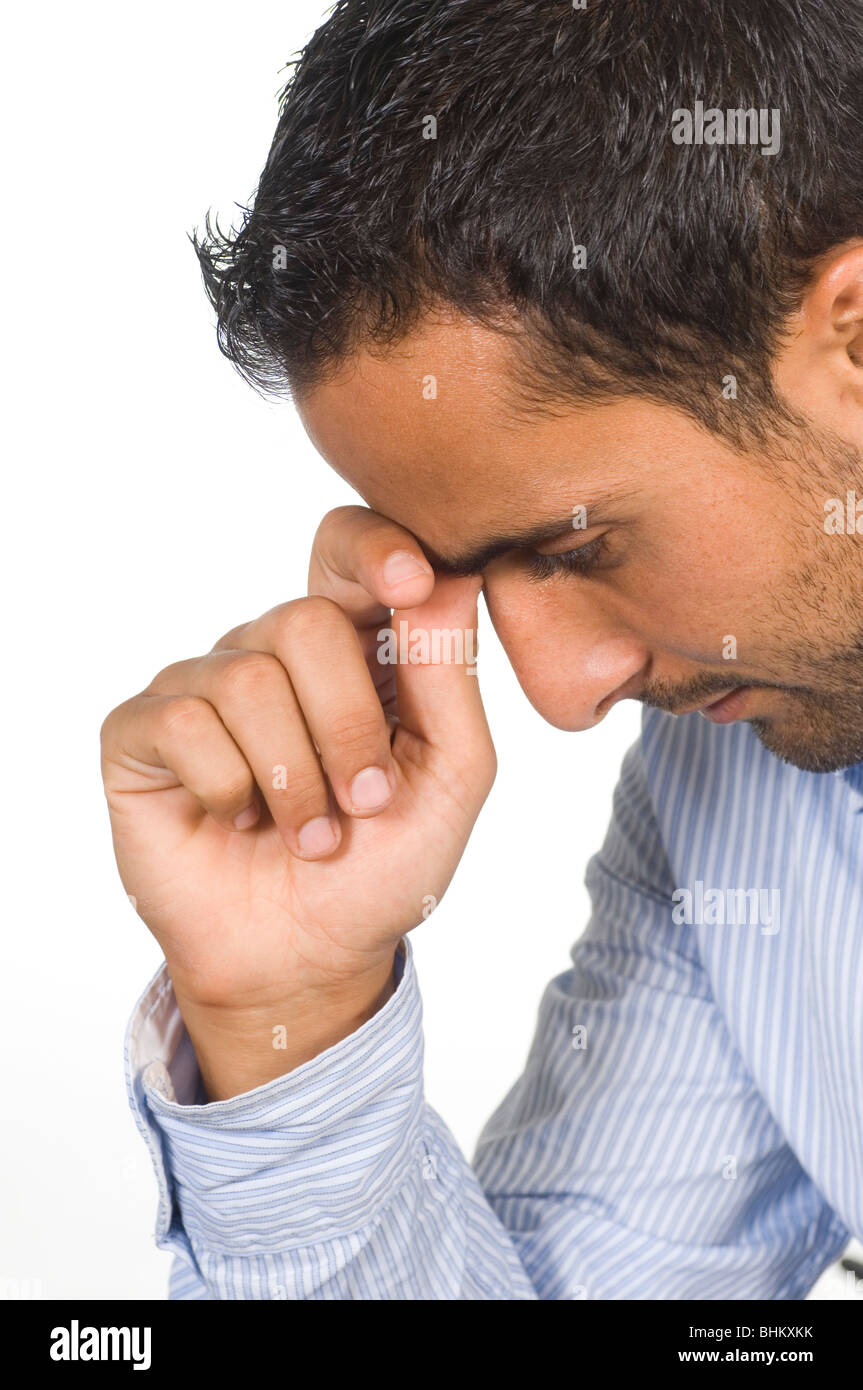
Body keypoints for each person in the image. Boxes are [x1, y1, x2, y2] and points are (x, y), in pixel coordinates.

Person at [100, 0, 863, 1298]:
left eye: (573, 548)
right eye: (471, 576)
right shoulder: (736, 791)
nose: (561, 696)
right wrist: (287, 1019)